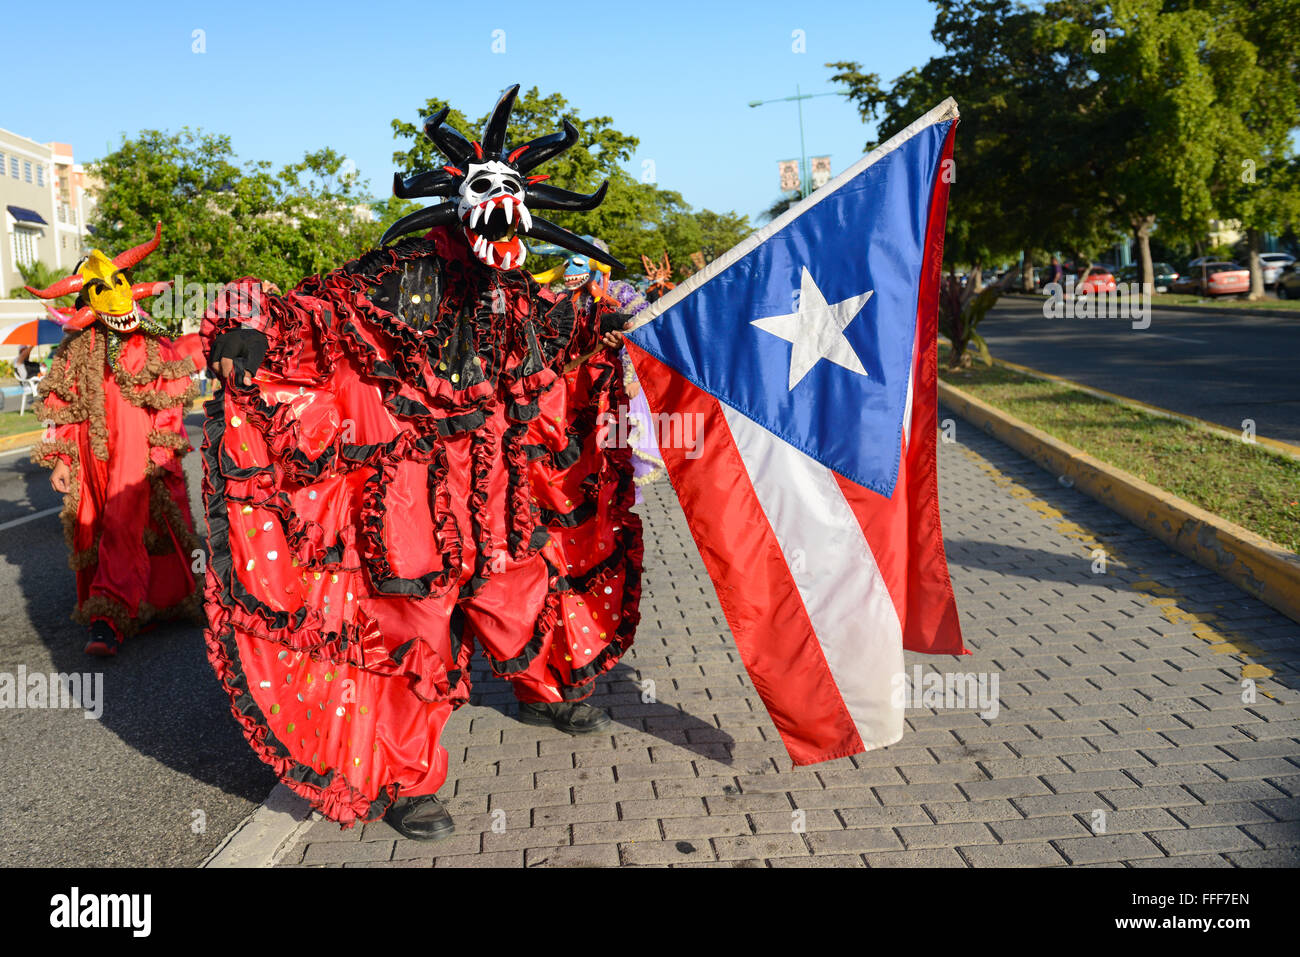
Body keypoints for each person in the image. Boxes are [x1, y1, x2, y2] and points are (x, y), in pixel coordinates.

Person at [202, 85, 643, 840]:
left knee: (519, 586)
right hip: (410, 483)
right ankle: (410, 778)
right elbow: (325, 317)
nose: (504, 213)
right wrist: (257, 326)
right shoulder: (399, 273)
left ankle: (542, 687)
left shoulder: (512, 284)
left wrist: (626, 312)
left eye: (514, 196)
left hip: (495, 475)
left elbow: (559, 329)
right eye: (487, 193)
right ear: (454, 200)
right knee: (418, 620)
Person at [26, 224, 203, 656]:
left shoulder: (150, 340)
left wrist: (161, 449)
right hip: (92, 452)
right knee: (98, 525)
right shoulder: (74, 349)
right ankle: (153, 603)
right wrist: (63, 459)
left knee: (125, 521)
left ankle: (108, 618)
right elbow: (64, 404)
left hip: (138, 448)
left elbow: (169, 396)